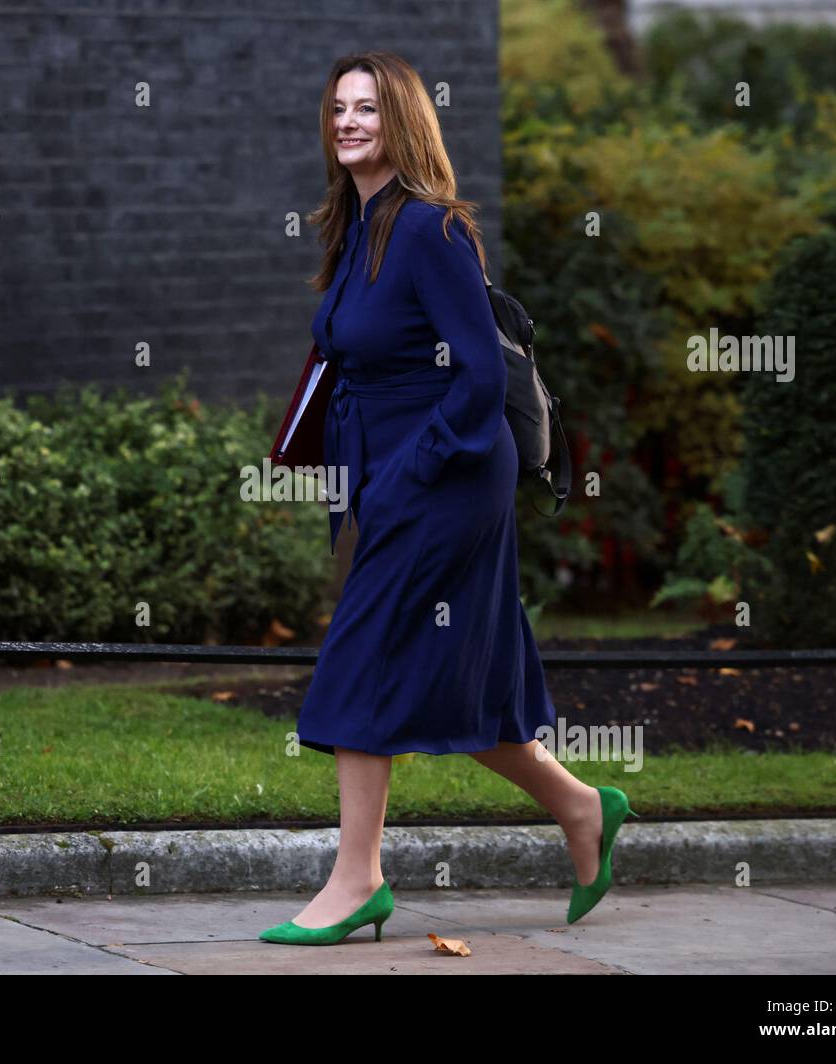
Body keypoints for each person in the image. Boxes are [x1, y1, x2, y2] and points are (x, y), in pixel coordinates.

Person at [258, 52, 636, 946]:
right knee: (460, 683)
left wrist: (408, 474)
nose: (349, 121)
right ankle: (585, 807)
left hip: (447, 477)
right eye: (339, 107)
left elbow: (472, 377)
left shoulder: (431, 230)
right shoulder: (355, 228)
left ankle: (357, 882)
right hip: (391, 475)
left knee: (357, 659)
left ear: (404, 123)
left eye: (369, 108)